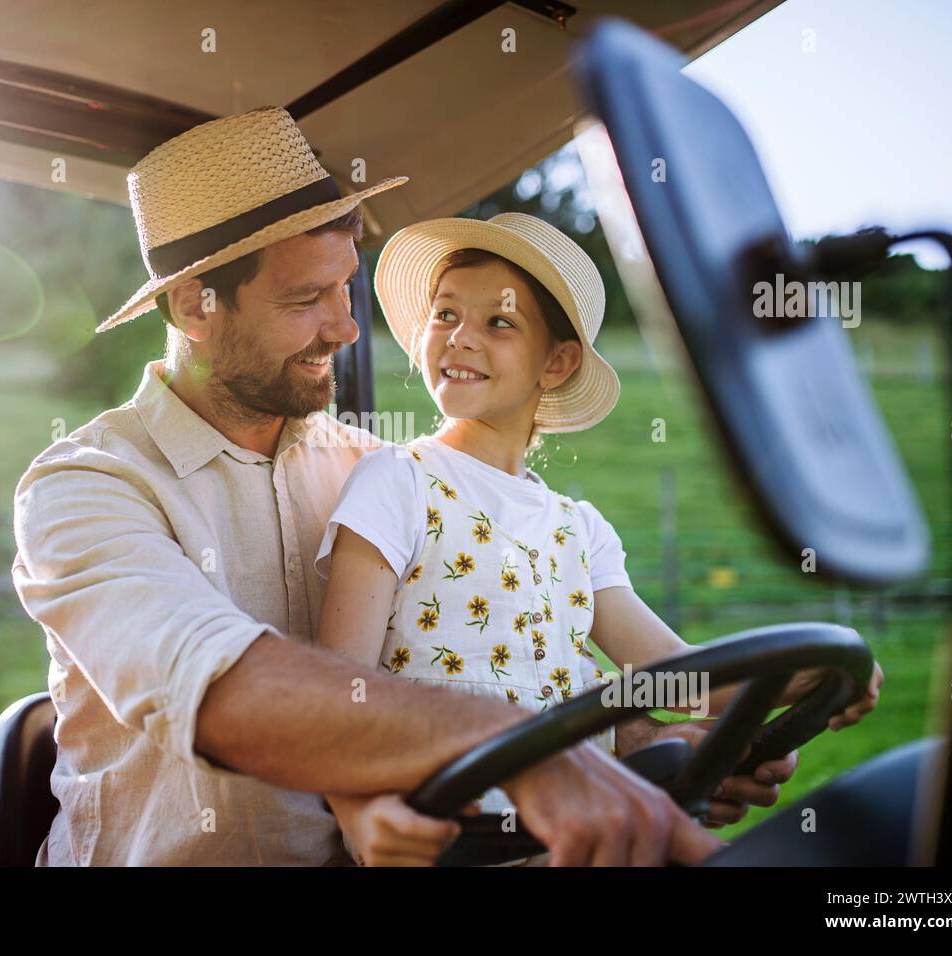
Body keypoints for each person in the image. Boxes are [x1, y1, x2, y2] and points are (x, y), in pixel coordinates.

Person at [11, 106, 808, 867]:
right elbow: (224, 689)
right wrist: (493, 744)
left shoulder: (381, 465)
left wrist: (637, 748)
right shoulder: (86, 488)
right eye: (305, 300)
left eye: (344, 290)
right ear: (196, 304)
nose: (347, 328)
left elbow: (488, 649)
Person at [313, 214, 886, 866]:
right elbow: (342, 690)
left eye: (499, 322)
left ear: (555, 363)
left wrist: (813, 675)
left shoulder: (577, 528)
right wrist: (361, 812)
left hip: (576, 837)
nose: (461, 337)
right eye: (445, 315)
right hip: (448, 839)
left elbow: (673, 676)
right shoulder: (396, 481)